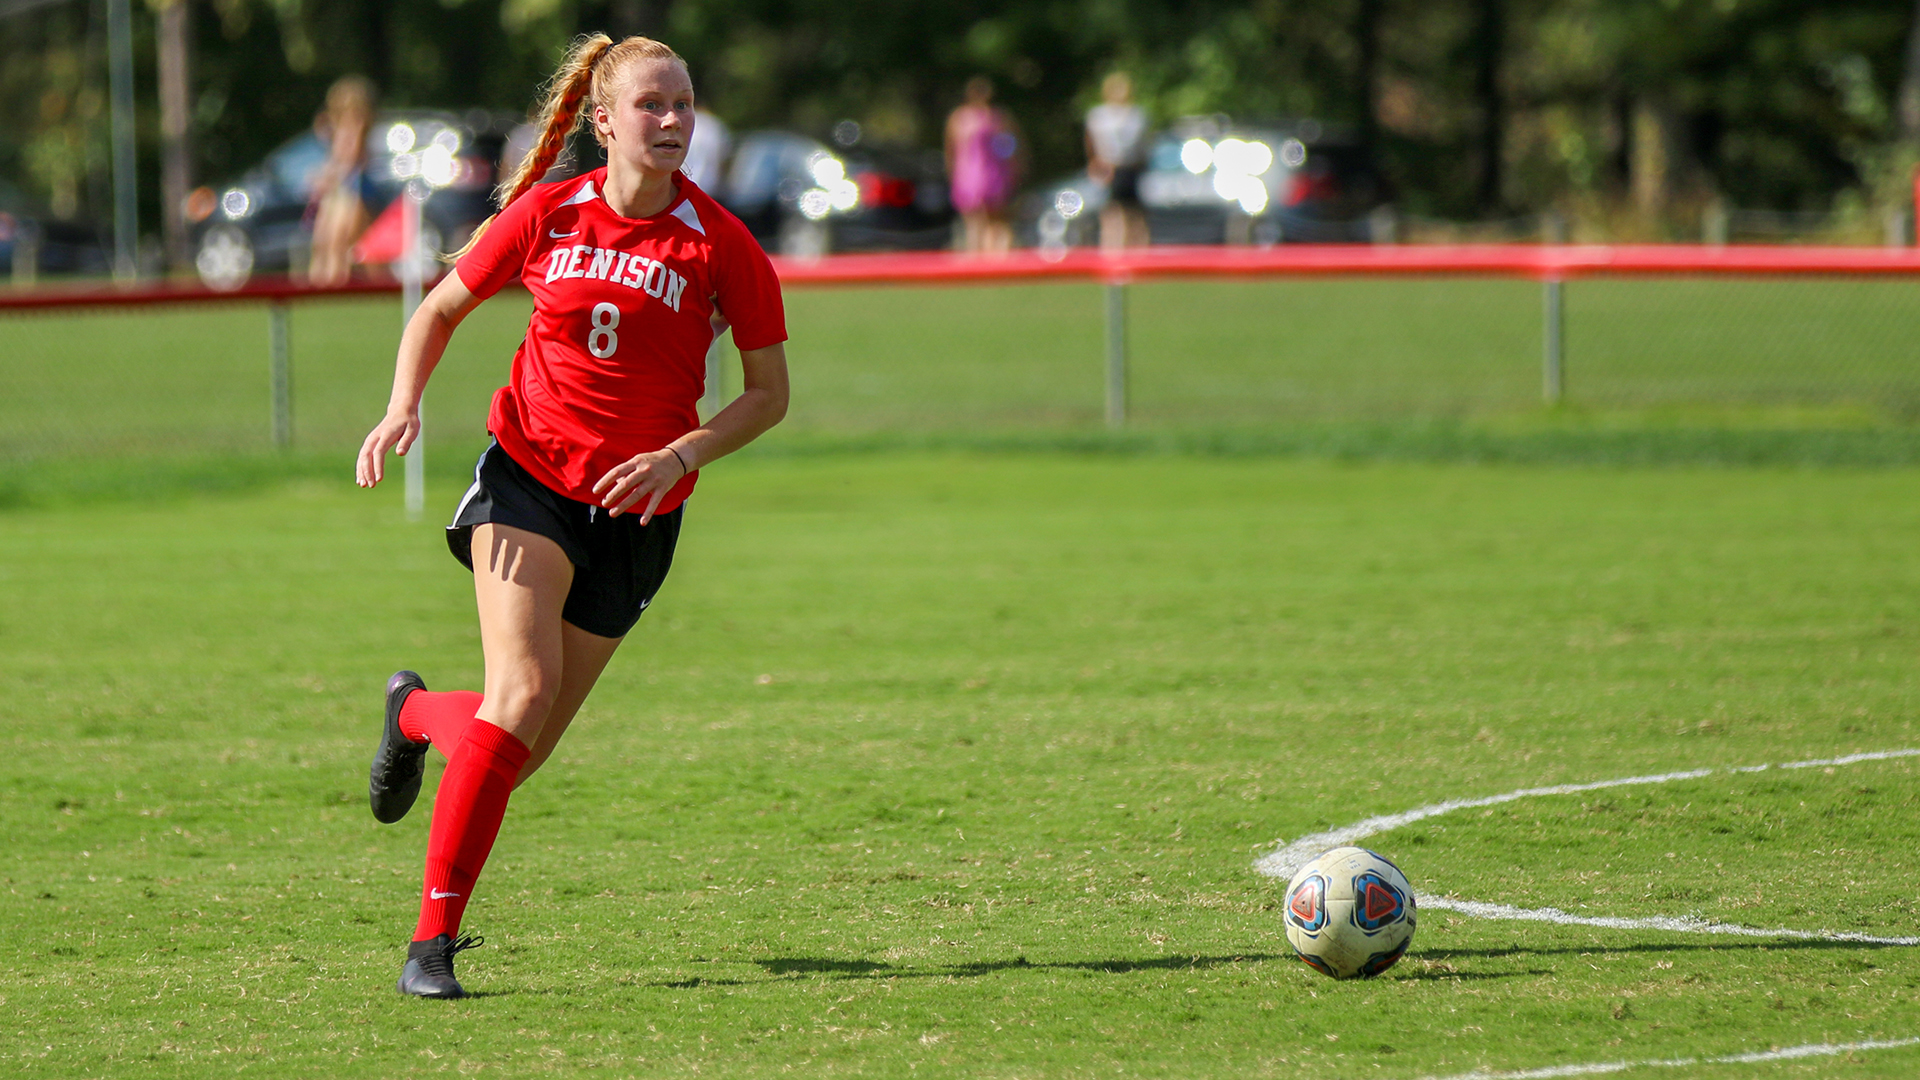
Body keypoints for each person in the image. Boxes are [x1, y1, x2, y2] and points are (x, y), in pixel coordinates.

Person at [355, 32, 789, 999]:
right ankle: (429, 947)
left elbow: (769, 395)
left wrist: (682, 453)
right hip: (529, 482)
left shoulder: (722, 241)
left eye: (683, 102)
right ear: (604, 121)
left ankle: (415, 713)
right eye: (651, 104)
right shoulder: (550, 214)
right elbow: (436, 311)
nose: (672, 120)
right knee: (519, 697)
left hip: (640, 515)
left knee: (520, 750)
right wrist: (402, 405)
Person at [309, 75, 376, 286]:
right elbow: (337, 159)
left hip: (352, 191)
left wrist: (330, 175)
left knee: (340, 240)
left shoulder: (357, 129)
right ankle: (319, 283)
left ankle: (337, 284)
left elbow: (351, 160)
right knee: (322, 237)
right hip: (337, 191)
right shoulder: (339, 130)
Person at [945, 77, 1021, 254]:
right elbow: (952, 148)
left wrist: (1012, 165)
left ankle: (998, 256)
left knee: (997, 218)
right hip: (968, 172)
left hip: (993, 171)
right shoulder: (959, 117)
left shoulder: (997, 117)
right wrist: (952, 171)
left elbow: (1009, 144)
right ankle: (975, 256)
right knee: (973, 218)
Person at [1084, 72, 1149, 250]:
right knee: (1112, 214)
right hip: (1109, 168)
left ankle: (1138, 253)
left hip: (1131, 169)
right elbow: (1091, 142)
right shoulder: (1098, 116)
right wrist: (1095, 163)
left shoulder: (1137, 115)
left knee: (1134, 215)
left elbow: (1144, 145)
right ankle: (1112, 252)